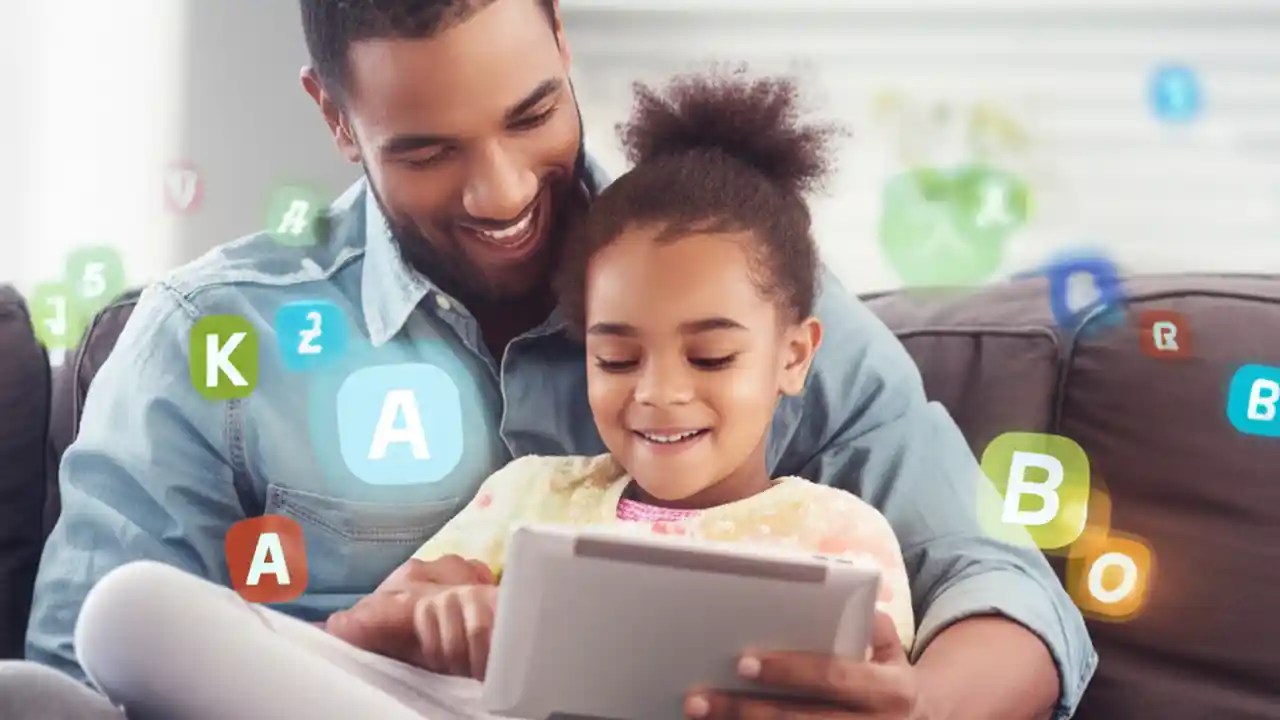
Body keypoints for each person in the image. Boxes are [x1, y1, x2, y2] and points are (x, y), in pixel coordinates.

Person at [10, 1, 1096, 718]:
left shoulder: (750, 289)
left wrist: (913, 711)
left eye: (532, 114)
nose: (501, 192)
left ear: (562, 39)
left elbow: (997, 578)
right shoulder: (210, 335)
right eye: (426, 149)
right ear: (335, 118)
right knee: (114, 628)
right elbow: (83, 677)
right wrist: (418, 611)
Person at [70, 77, 917, 717]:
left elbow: (879, 693)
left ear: (795, 354)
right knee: (128, 611)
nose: (659, 395)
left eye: (710, 355)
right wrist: (431, 615)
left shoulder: (839, 538)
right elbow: (356, 646)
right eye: (616, 360)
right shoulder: (534, 494)